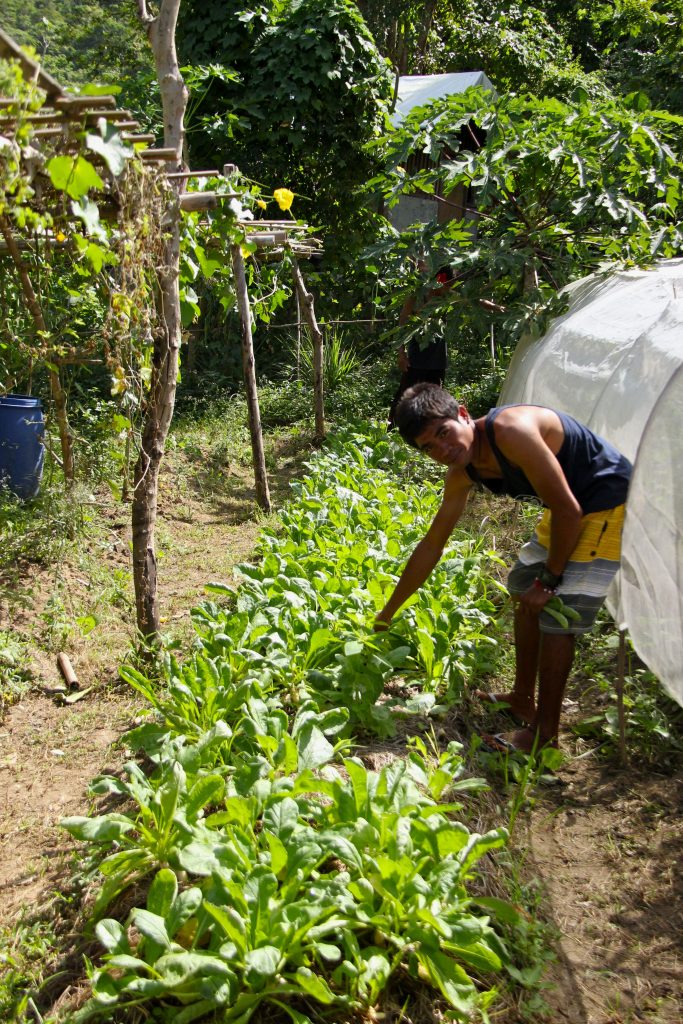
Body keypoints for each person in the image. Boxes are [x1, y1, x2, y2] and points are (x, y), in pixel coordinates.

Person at [375, 383, 632, 753]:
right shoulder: (463, 472)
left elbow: (569, 510)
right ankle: (522, 697)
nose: (443, 450)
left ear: (463, 414)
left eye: (444, 433)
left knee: (557, 615)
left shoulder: (511, 432)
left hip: (606, 500)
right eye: (428, 447)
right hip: (566, 505)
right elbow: (433, 544)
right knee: (522, 584)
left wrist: (551, 581)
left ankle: (544, 735)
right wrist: (388, 612)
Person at [387, 266, 454, 428]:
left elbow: (474, 301)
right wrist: (401, 353)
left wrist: (498, 308)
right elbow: (403, 322)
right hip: (416, 358)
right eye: (447, 285)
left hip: (438, 359)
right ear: (438, 282)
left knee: (434, 398)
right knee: (405, 396)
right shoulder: (417, 295)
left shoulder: (449, 296)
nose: (449, 289)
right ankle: (392, 429)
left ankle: (427, 430)